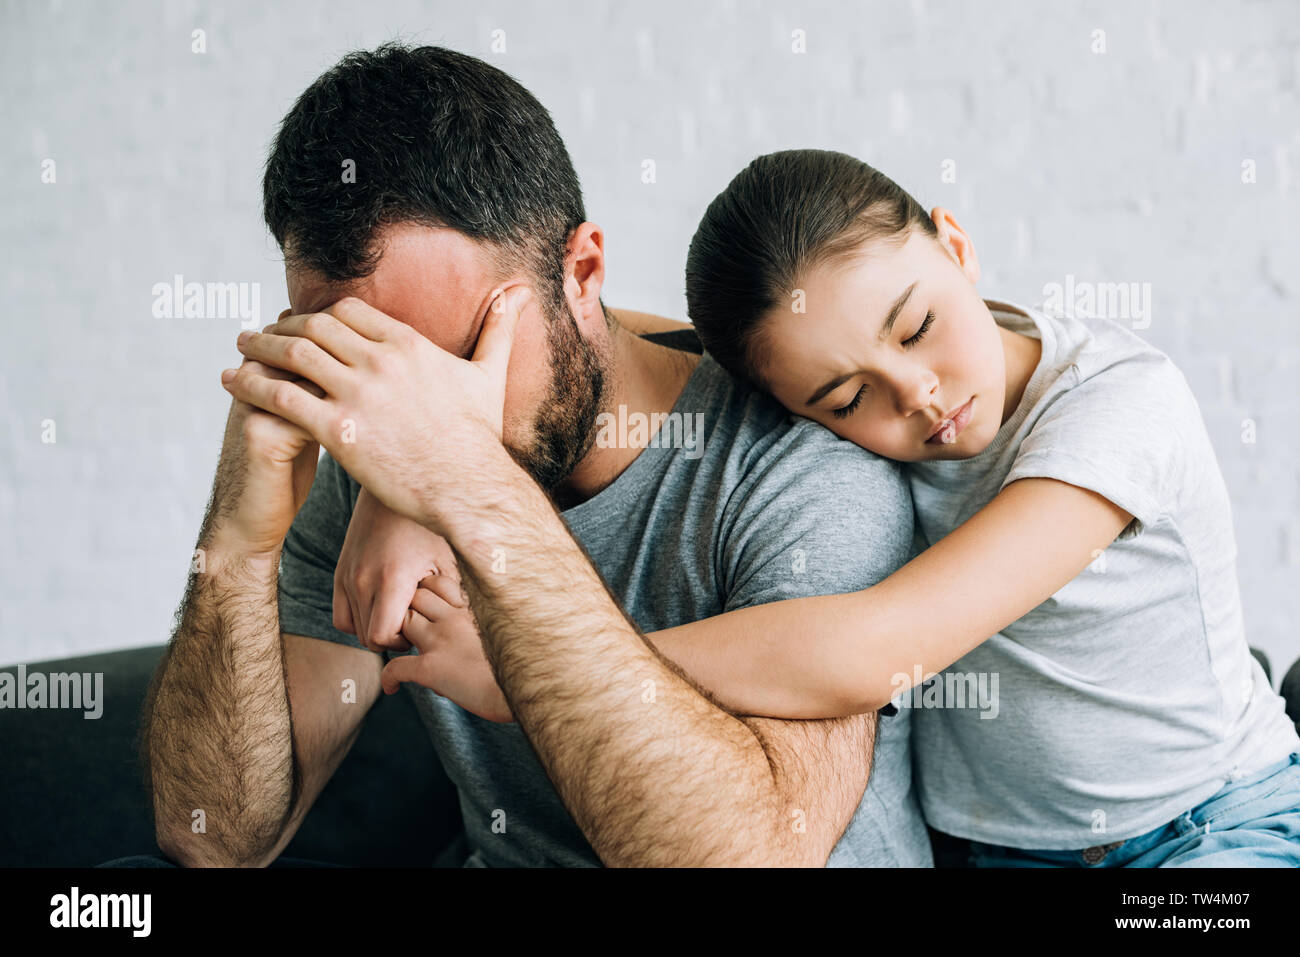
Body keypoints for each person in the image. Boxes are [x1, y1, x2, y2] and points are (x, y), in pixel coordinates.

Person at [134, 47, 932, 868]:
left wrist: (464, 490)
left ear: (582, 270)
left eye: (459, 354)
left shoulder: (800, 466)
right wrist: (237, 543)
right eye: (376, 362)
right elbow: (213, 838)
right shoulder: (370, 450)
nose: (421, 411)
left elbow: (749, 854)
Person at [630, 150, 1300, 866]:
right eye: (849, 398)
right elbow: (656, 346)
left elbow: (878, 648)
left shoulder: (1118, 405)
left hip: (1207, 825)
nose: (916, 392)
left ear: (955, 244)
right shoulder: (832, 412)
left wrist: (575, 659)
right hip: (991, 851)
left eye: (916, 327)